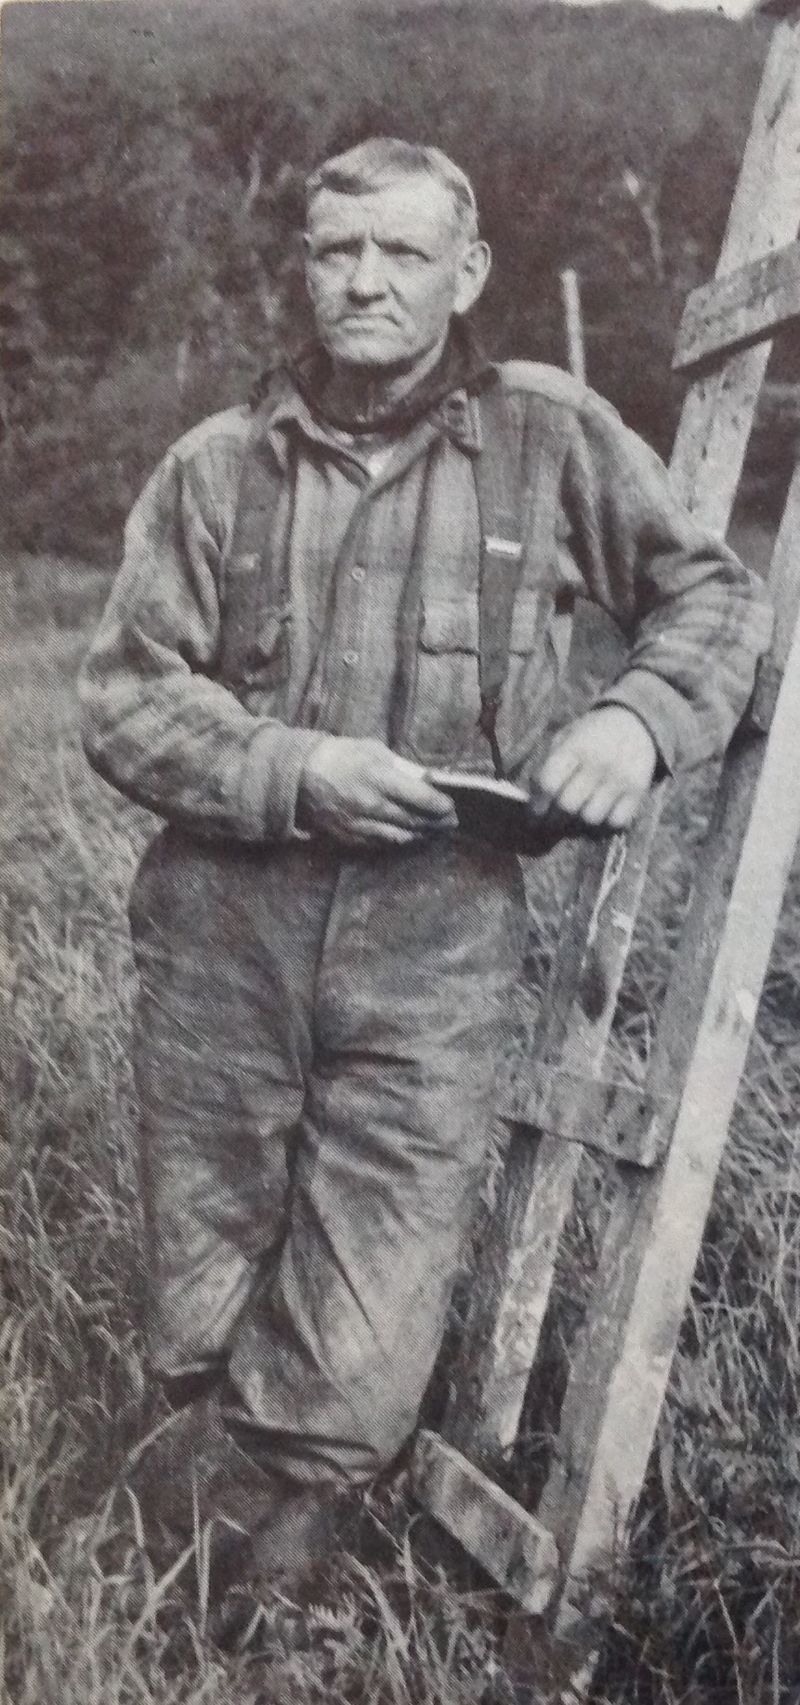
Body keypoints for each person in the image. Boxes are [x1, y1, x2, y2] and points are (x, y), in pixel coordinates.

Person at [78, 137, 772, 1604]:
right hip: (222, 923)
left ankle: (284, 1561)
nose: (367, 282)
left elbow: (714, 596)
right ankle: (179, 1521)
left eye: (402, 254)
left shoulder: (549, 434)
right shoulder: (218, 464)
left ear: (466, 274)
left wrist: (636, 723)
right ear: (307, 268)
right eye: (339, 253)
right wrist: (295, 768)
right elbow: (125, 693)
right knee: (204, 1236)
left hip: (441, 927)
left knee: (381, 1254)